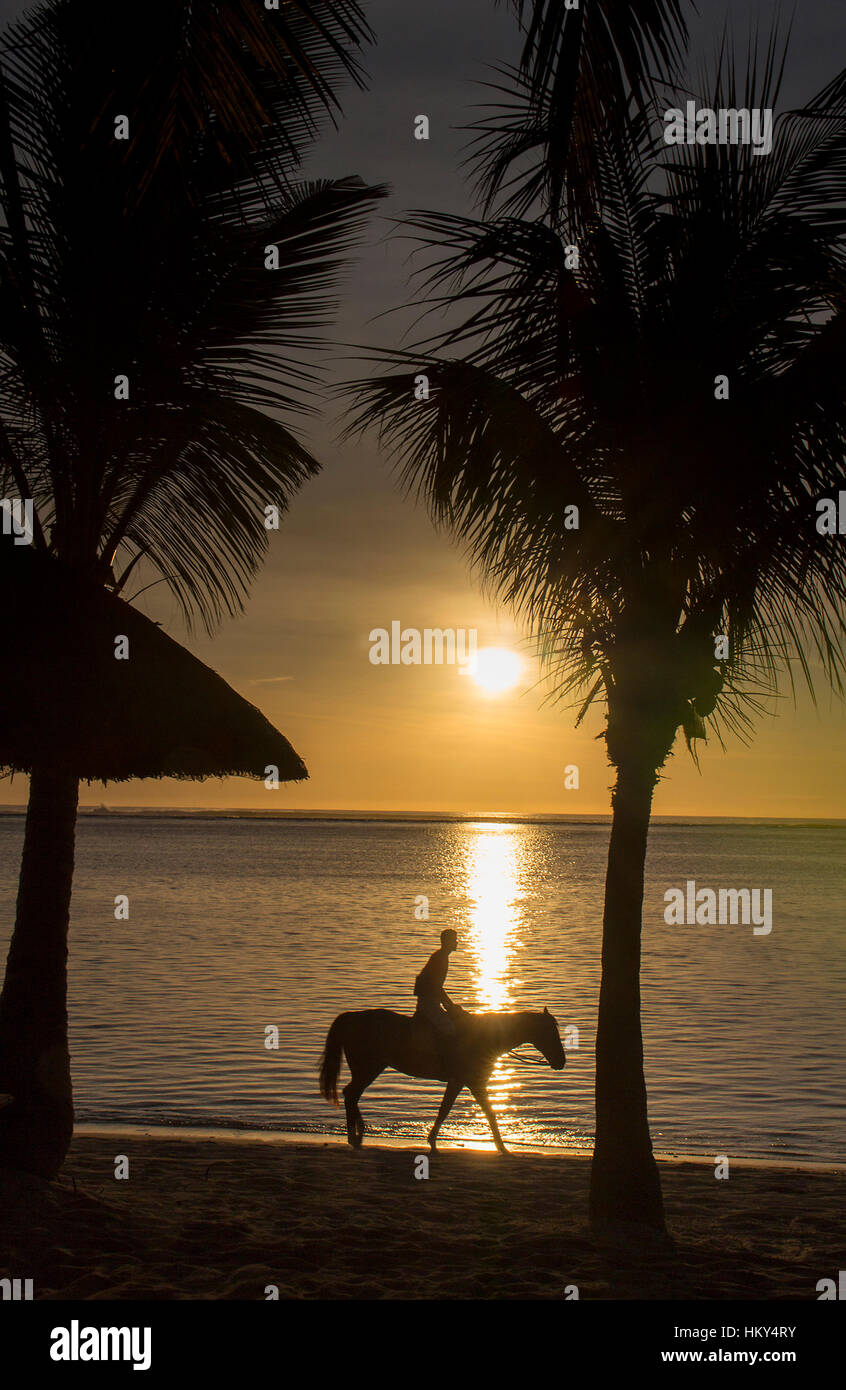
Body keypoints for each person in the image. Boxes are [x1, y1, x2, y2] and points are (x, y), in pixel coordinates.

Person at [413, 929, 460, 1056]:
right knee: (449, 1029)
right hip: (429, 1002)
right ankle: (444, 1059)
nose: (457, 942)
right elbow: (435, 985)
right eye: (455, 940)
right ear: (447, 942)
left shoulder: (441, 956)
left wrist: (449, 1005)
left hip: (432, 1000)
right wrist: (449, 1005)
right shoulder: (441, 958)